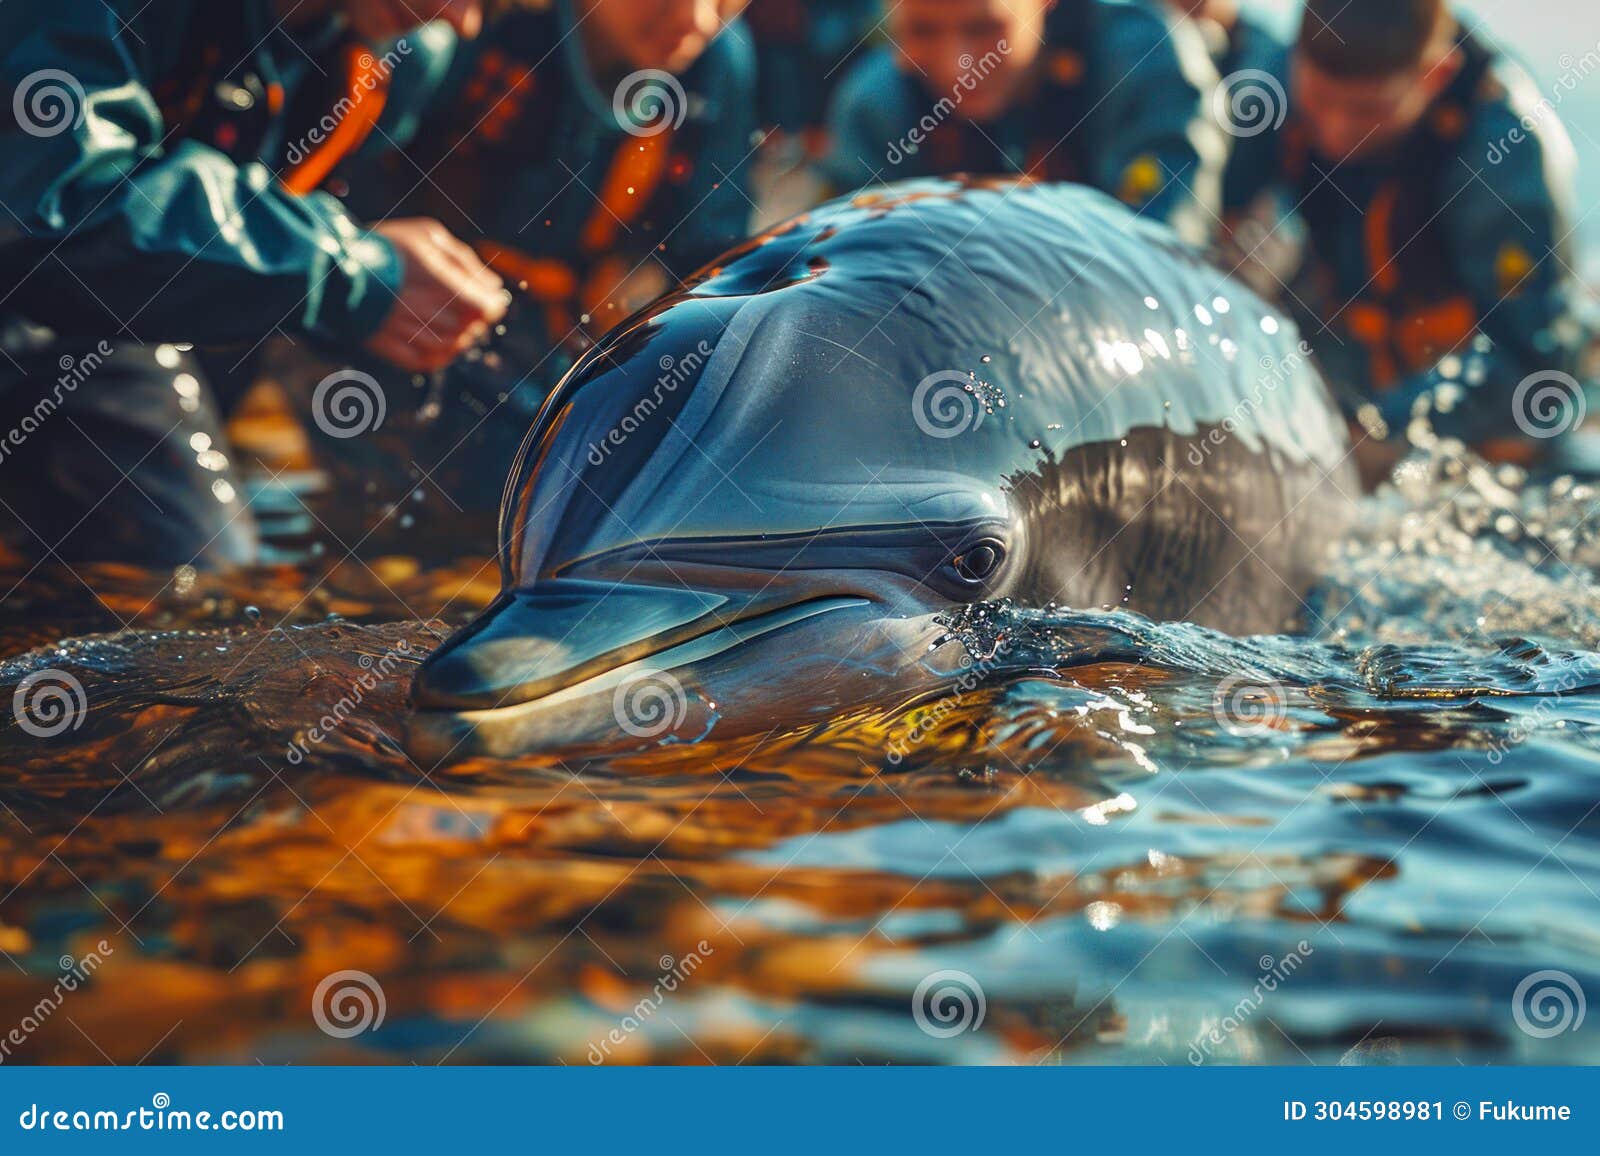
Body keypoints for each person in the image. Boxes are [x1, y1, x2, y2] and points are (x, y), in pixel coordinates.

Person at [0, 0, 507, 567]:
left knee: (194, 564)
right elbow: (58, 209)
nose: (463, 21)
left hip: (109, 332)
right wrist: (352, 269)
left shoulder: (397, 51)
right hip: (36, 298)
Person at [1223, 0, 1590, 476]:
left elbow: (1535, 364)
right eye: (1317, 104)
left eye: (1365, 111)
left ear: (1436, 76)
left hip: (1474, 436)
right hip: (1344, 376)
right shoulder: (1268, 86)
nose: (1334, 131)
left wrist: (1383, 427)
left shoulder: (1504, 148)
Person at [349, 0, 758, 419]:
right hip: (399, 330)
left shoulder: (718, 64)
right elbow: (322, 192)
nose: (699, 19)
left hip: (561, 353)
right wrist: (367, 266)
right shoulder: (459, 22)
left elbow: (713, 258)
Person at [817, 0, 1226, 244]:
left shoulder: (1144, 64)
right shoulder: (877, 101)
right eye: (922, 30)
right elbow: (856, 261)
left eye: (986, 29)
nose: (958, 67)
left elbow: (1160, 254)